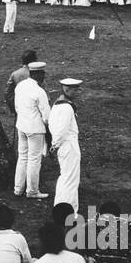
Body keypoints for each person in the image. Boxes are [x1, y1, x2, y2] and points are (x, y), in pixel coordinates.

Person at [12, 60, 50, 201]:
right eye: (42, 74)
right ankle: (32, 190)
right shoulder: (39, 91)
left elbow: (16, 106)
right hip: (35, 128)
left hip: (21, 125)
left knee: (22, 157)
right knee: (34, 159)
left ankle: (18, 188)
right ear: (38, 74)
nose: (44, 76)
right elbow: (46, 115)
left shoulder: (21, 86)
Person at [48, 78, 82, 208]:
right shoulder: (67, 107)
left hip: (63, 145)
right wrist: (55, 145)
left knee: (64, 178)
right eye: (75, 89)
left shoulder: (57, 105)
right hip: (68, 145)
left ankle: (60, 207)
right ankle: (70, 212)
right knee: (71, 180)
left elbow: (51, 124)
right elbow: (62, 130)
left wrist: (55, 144)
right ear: (66, 89)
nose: (77, 92)